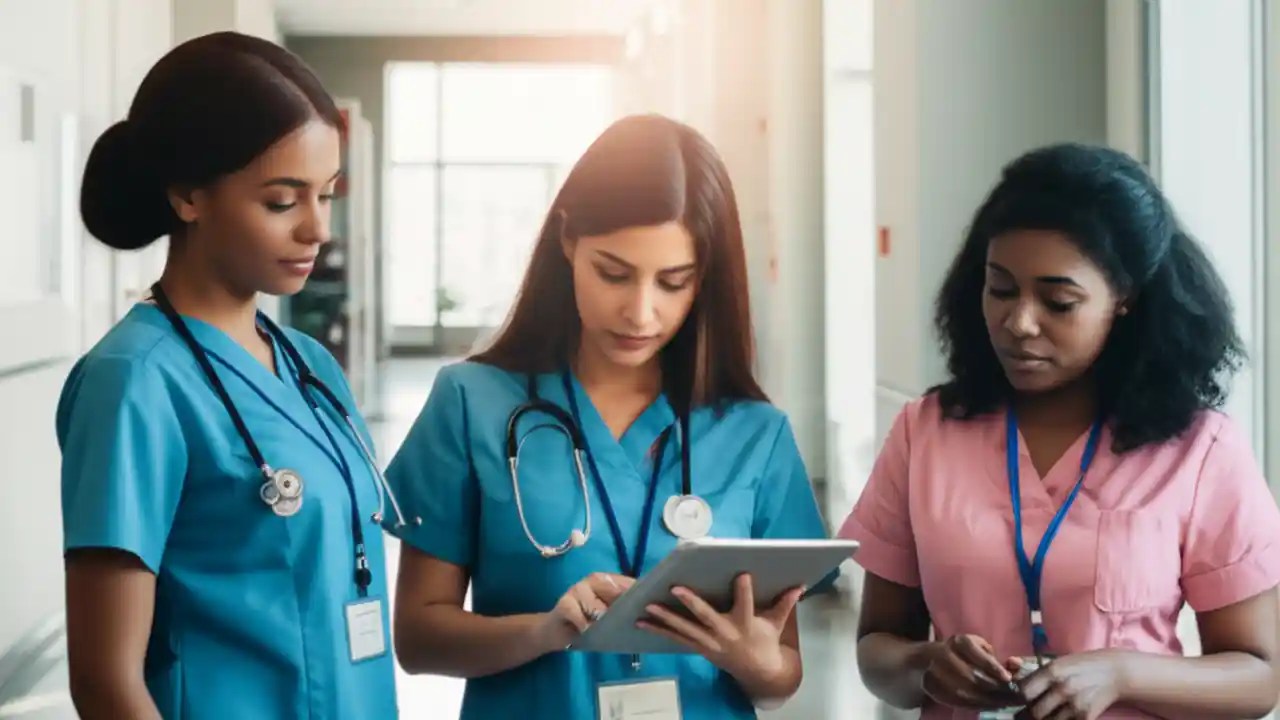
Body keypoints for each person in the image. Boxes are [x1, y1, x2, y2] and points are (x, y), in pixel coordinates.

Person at [383, 114, 829, 719]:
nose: (640, 312)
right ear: (568, 241)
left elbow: (783, 673)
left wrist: (753, 660)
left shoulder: (755, 433)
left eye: (673, 282)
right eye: (613, 273)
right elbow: (417, 639)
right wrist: (546, 631)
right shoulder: (472, 404)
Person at [841, 142, 1280, 719]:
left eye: (1059, 301)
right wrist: (926, 665)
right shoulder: (925, 434)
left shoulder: (1200, 450)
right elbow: (877, 652)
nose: (1019, 323)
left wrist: (1122, 674)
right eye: (1000, 289)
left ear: (1123, 299)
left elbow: (1258, 677)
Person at [58, 32, 398, 720]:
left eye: (325, 196)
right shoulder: (134, 383)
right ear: (188, 195)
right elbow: (104, 680)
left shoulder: (309, 364)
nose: (317, 230)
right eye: (282, 201)